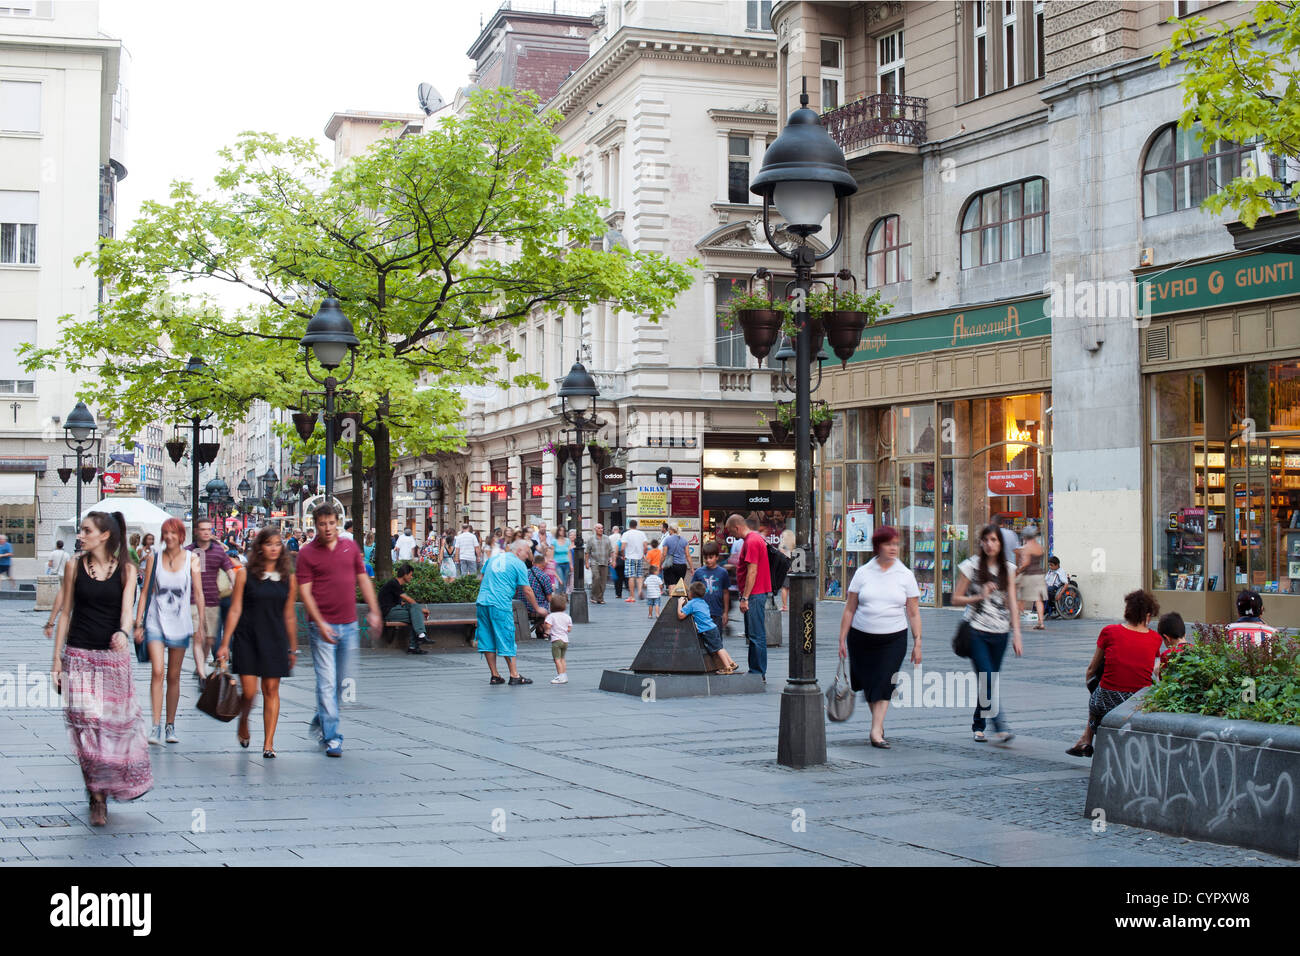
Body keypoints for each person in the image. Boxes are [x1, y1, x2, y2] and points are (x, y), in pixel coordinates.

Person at [51, 511, 151, 826]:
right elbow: (66, 613)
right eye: (80, 530)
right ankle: (96, 797)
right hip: (78, 654)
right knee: (85, 727)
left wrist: (123, 633)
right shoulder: (72, 567)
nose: (81, 535)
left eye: (86, 530)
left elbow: (126, 611)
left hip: (111, 659)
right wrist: (56, 660)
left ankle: (102, 789)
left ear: (104, 534)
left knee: (108, 729)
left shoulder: (127, 570)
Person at [297, 505, 381, 758]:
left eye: (331, 523)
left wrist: (374, 610)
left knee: (344, 684)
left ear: (337, 522)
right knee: (326, 683)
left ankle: (322, 718)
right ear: (315, 525)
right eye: (322, 524)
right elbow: (305, 591)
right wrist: (320, 622)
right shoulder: (307, 554)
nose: (327, 528)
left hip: (349, 624)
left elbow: (363, 578)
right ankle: (332, 737)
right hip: (321, 626)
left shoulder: (350, 547)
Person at [837, 526, 923, 749]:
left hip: (893, 638)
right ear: (878, 546)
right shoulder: (863, 573)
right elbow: (849, 608)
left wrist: (918, 642)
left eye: (896, 544)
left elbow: (913, 612)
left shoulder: (905, 575)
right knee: (868, 683)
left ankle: (876, 730)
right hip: (861, 638)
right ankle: (878, 723)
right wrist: (842, 639)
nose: (893, 548)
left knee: (884, 681)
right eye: (888, 544)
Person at [216, 527, 297, 758]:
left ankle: (269, 743)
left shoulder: (288, 579)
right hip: (248, 637)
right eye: (269, 543)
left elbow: (289, 614)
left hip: (275, 638)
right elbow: (235, 609)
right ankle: (243, 720)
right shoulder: (245, 574)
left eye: (277, 544)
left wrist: (293, 647)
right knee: (249, 692)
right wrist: (224, 643)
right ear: (260, 547)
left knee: (271, 689)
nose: (274, 548)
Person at [134, 517, 206, 746]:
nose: (169, 537)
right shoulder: (154, 558)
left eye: (174, 533)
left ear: (181, 536)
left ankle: (170, 724)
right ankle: (155, 725)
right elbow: (144, 592)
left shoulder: (193, 559)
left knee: (174, 676)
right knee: (158, 671)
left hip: (180, 623)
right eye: (166, 532)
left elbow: (199, 592)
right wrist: (138, 623)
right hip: (155, 621)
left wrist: (201, 624)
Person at [1066, 590, 1162, 757]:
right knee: (1101, 695)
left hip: (1107, 698)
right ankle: (1085, 740)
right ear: (1148, 615)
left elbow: (1091, 669)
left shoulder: (1109, 632)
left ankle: (1086, 740)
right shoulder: (1155, 638)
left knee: (1097, 698)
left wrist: (1092, 686)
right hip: (1139, 699)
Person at [954, 523, 1022, 745]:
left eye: (995, 540)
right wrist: (979, 596)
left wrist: (1017, 633)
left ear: (1001, 544)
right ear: (981, 543)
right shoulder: (971, 567)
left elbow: (1012, 600)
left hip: (1000, 633)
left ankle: (978, 725)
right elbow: (956, 598)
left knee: (988, 681)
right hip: (976, 630)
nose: (990, 544)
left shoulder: (1009, 569)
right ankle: (1000, 726)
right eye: (987, 540)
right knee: (988, 678)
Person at [475, 539, 548, 685]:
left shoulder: (493, 559)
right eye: (527, 552)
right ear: (519, 551)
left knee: (487, 638)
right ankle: (514, 675)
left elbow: (482, 578)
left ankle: (495, 675)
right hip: (500, 604)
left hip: (482, 601)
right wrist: (537, 607)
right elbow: (527, 590)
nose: (528, 556)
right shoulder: (518, 564)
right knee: (506, 637)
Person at [725, 513, 773, 680]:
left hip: (754, 594)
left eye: (731, 532)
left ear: (737, 527)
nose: (732, 536)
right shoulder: (753, 540)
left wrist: (745, 597)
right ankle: (755, 670)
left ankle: (758, 672)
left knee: (756, 634)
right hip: (755, 593)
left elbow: (752, 571)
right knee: (753, 634)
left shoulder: (752, 541)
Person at [187, 519, 235, 676]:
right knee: (198, 636)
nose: (206, 532)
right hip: (193, 599)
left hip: (213, 600)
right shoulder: (188, 552)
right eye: (203, 529)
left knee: (210, 639)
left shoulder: (218, 551)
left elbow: (229, 569)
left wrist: (235, 585)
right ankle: (201, 673)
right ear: (196, 531)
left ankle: (200, 663)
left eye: (209, 529)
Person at [678, 580, 740, 674]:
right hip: (713, 627)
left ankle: (727, 668)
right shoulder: (703, 602)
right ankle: (731, 663)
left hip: (707, 630)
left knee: (717, 649)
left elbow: (681, 615)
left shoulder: (692, 604)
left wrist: (679, 604)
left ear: (691, 593)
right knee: (720, 647)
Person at [379, 561, 431, 655]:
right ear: (405, 575)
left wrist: (418, 609)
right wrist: (420, 609)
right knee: (415, 613)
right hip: (389, 612)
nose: (411, 577)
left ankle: (414, 645)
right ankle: (420, 637)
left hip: (396, 609)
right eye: (410, 575)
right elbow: (408, 599)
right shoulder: (393, 584)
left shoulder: (397, 585)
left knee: (414, 613)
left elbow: (402, 603)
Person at [690, 541, 731, 636]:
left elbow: (725, 592)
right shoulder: (698, 572)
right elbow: (692, 592)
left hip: (717, 612)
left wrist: (725, 612)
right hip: (701, 612)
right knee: (702, 639)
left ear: (716, 557)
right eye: (706, 558)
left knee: (716, 638)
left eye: (711, 557)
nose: (708, 560)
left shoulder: (723, 572)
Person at [1015, 524, 1047, 630]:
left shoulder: (1027, 547)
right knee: (1038, 599)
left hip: (1029, 576)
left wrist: (1018, 571)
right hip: (1039, 575)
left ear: (1025, 536)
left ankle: (1015, 621)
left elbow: (1025, 563)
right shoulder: (1039, 547)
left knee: (1021, 598)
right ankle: (1041, 622)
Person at [519, 552, 554, 639]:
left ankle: (539, 628)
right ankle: (545, 631)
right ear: (544, 565)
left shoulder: (523, 574)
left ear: (532, 563)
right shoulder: (544, 576)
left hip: (520, 607)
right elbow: (549, 598)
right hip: (536, 608)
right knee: (546, 606)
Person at [545, 591, 573, 684]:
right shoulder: (567, 616)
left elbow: (548, 626)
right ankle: (564, 675)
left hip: (556, 640)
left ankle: (560, 676)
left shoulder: (551, 616)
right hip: (565, 640)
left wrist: (546, 631)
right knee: (562, 658)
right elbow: (569, 629)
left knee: (556, 659)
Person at [1154, 611, 1190, 679]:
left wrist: (1157, 670)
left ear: (1167, 638)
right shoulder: (1196, 650)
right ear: (1184, 634)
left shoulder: (1167, 655)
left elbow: (1163, 683)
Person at [621, 519, 648, 602]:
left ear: (629, 525)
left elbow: (622, 547)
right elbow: (646, 547)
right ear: (636, 525)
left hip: (630, 557)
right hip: (639, 557)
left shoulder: (626, 534)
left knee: (631, 577)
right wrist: (643, 554)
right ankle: (639, 590)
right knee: (639, 576)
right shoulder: (641, 534)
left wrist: (623, 555)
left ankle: (632, 596)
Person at [661, 524, 692, 589]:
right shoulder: (684, 540)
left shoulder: (667, 540)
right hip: (682, 566)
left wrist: (660, 565)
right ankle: (679, 599)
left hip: (670, 565)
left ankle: (672, 599)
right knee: (679, 586)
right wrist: (692, 568)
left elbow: (664, 554)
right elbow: (688, 555)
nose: (668, 531)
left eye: (669, 529)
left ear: (671, 530)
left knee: (671, 585)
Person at [586, 524, 611, 604]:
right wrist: (587, 562)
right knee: (596, 578)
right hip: (594, 562)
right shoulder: (591, 539)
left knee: (603, 582)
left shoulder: (607, 538)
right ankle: (593, 596)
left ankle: (600, 598)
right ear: (595, 529)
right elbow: (587, 552)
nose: (601, 529)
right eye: (599, 528)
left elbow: (611, 550)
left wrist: (613, 560)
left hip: (604, 561)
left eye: (602, 528)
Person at [778, 529, 795, 612]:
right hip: (793, 568)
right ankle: (794, 605)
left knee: (784, 588)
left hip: (785, 568)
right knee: (792, 587)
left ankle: (785, 606)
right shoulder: (794, 546)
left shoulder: (783, 546)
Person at [553, 526, 572, 591]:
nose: (562, 532)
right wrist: (551, 565)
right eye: (560, 530)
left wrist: (571, 564)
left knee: (565, 582)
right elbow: (551, 554)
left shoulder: (567, 540)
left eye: (563, 530)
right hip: (558, 564)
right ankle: (560, 597)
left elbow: (569, 553)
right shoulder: (554, 541)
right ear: (558, 531)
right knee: (561, 581)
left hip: (566, 563)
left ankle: (563, 596)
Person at [608, 525, 623, 599]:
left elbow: (608, 548)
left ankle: (617, 590)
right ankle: (622, 588)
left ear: (612, 530)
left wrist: (610, 558)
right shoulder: (621, 536)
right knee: (621, 574)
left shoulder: (610, 537)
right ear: (618, 530)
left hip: (613, 556)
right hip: (621, 557)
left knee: (615, 573)